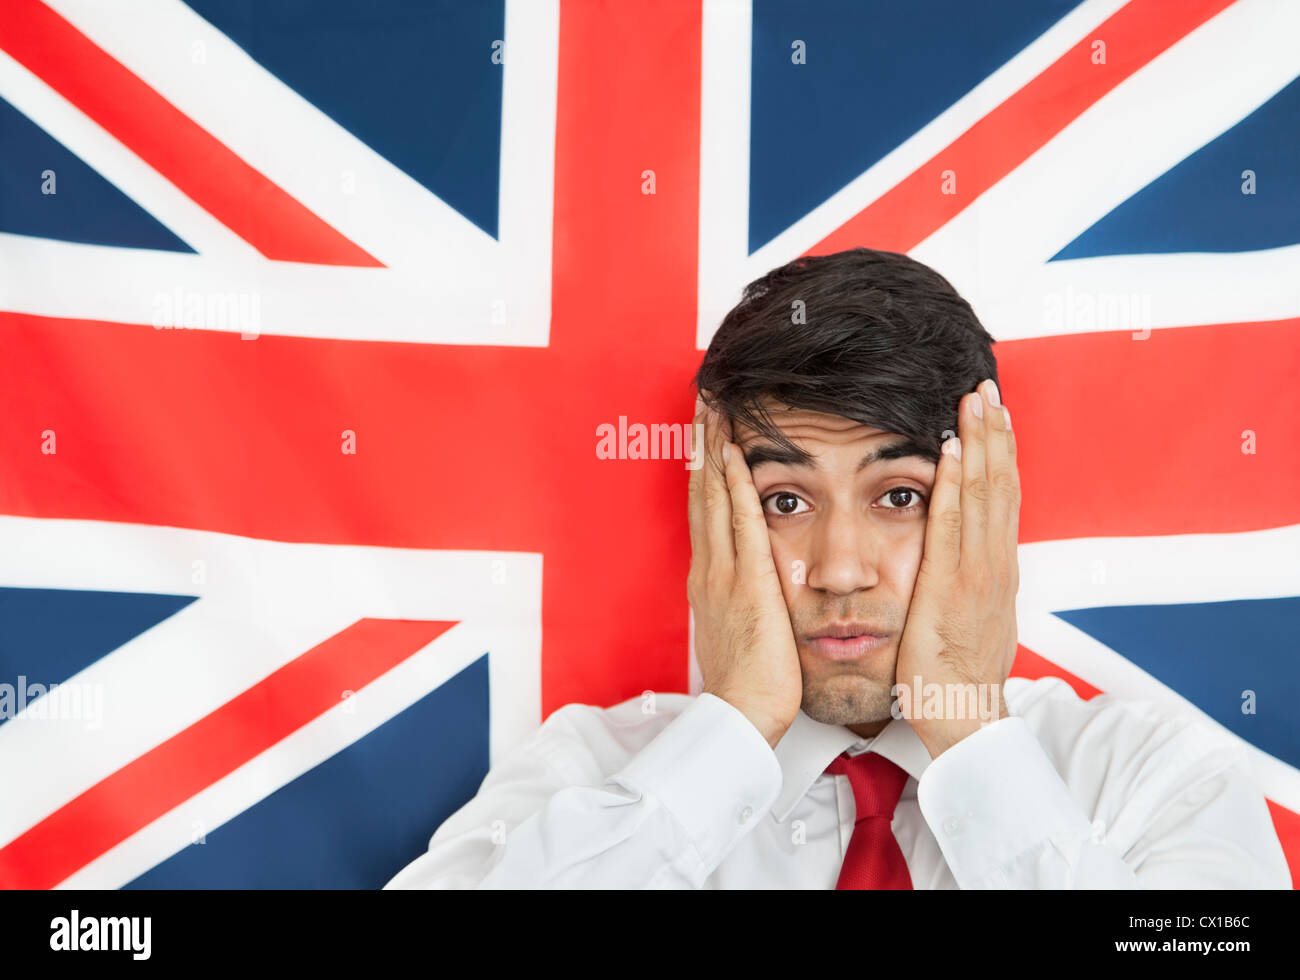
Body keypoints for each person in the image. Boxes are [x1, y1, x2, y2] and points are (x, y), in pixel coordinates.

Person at [385, 248, 1290, 889]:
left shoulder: (1158, 779)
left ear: (991, 506)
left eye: (899, 496)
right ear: (715, 516)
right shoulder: (589, 776)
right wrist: (732, 732)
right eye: (785, 500)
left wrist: (969, 732)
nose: (841, 570)